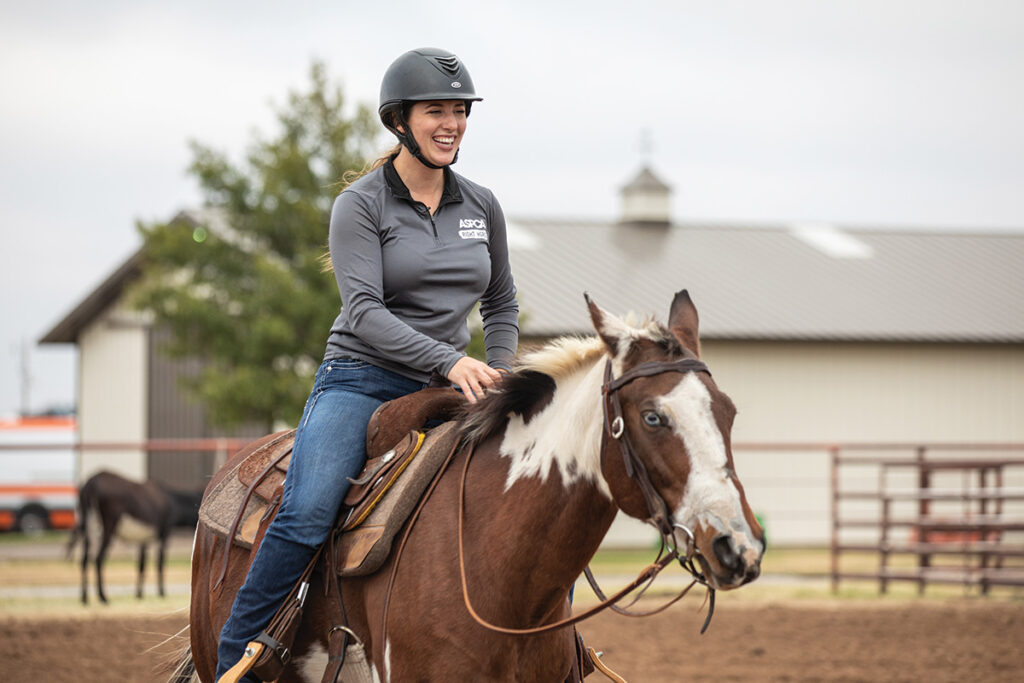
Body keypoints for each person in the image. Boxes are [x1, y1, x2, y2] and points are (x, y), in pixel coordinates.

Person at [216, 47, 519, 681]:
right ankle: (235, 657)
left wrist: (504, 375)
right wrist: (451, 360)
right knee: (308, 508)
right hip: (363, 378)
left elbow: (501, 301)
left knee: (525, 497)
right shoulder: (359, 205)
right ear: (400, 121)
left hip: (458, 382)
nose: (452, 123)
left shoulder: (482, 206)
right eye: (436, 110)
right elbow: (365, 313)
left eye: (460, 111)